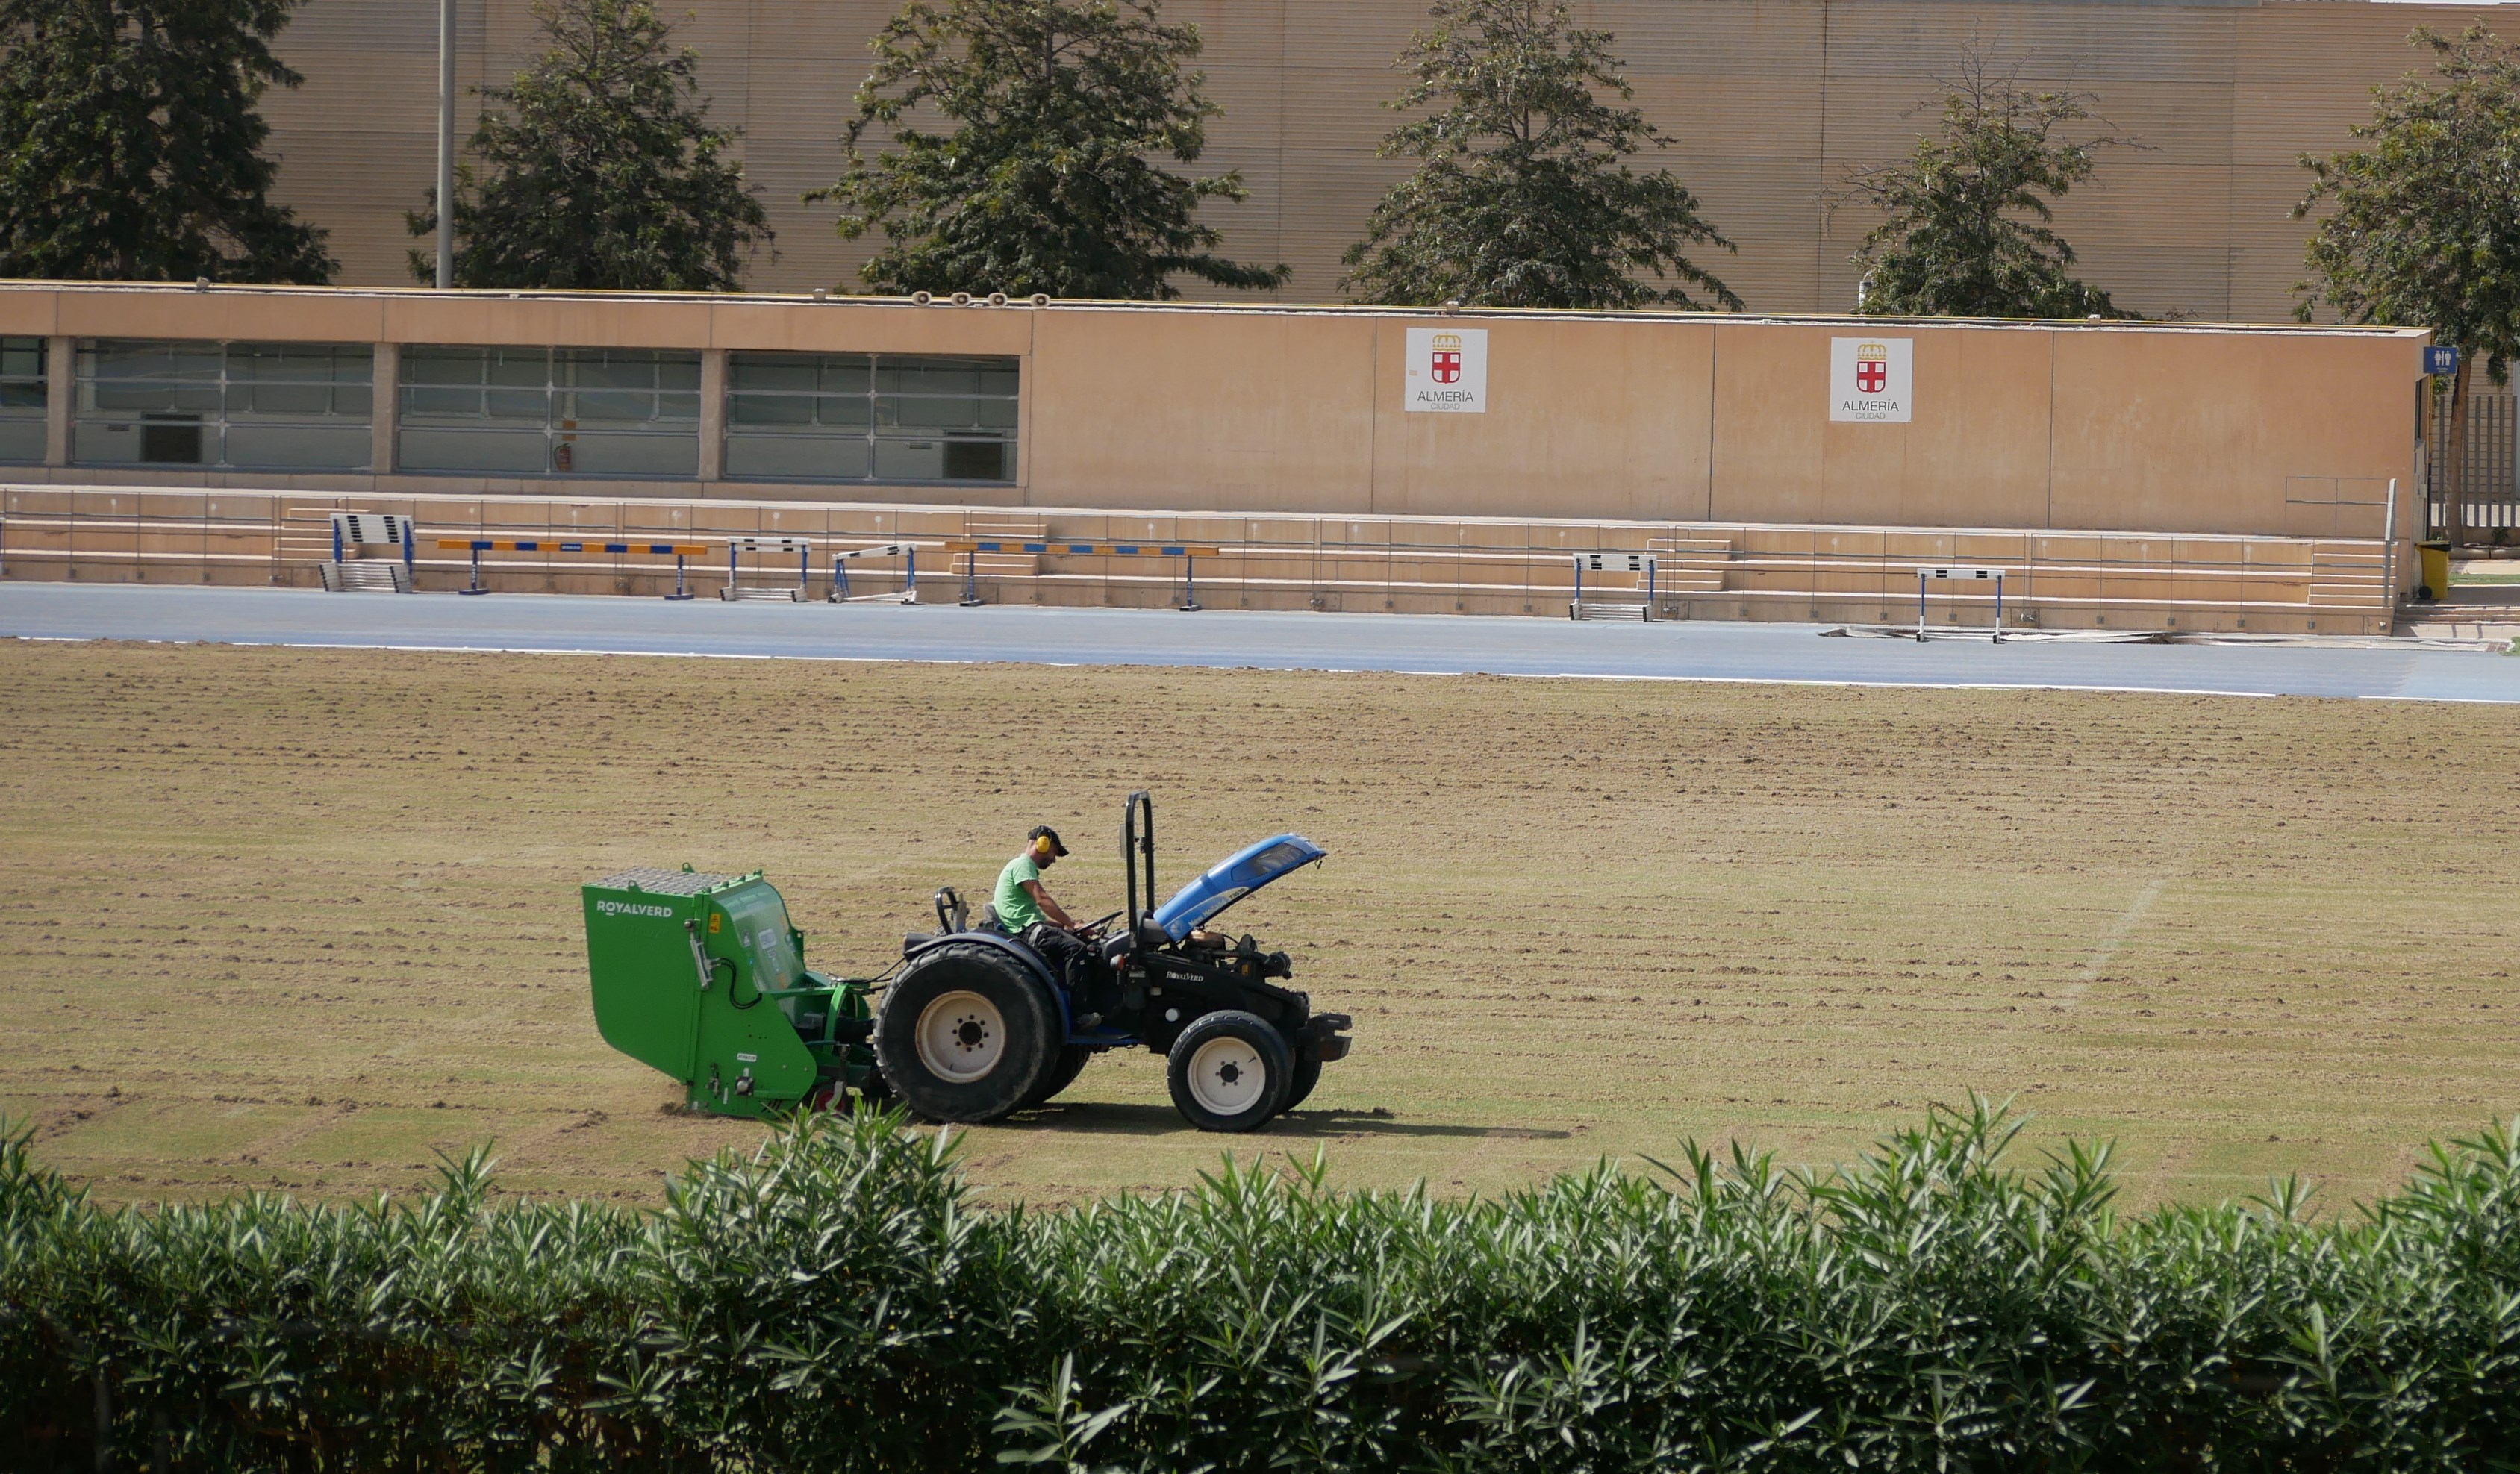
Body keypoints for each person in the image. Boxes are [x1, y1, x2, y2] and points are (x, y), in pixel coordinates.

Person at [994, 825, 1114, 1024]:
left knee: (1089, 947)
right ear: (1042, 843)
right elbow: (1042, 899)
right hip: (1026, 932)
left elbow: (1031, 915)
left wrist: (1065, 927)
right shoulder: (1022, 865)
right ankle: (1080, 1015)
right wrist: (1072, 923)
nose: (1054, 858)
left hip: (1029, 927)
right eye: (1054, 852)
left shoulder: (1023, 867)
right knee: (1076, 950)